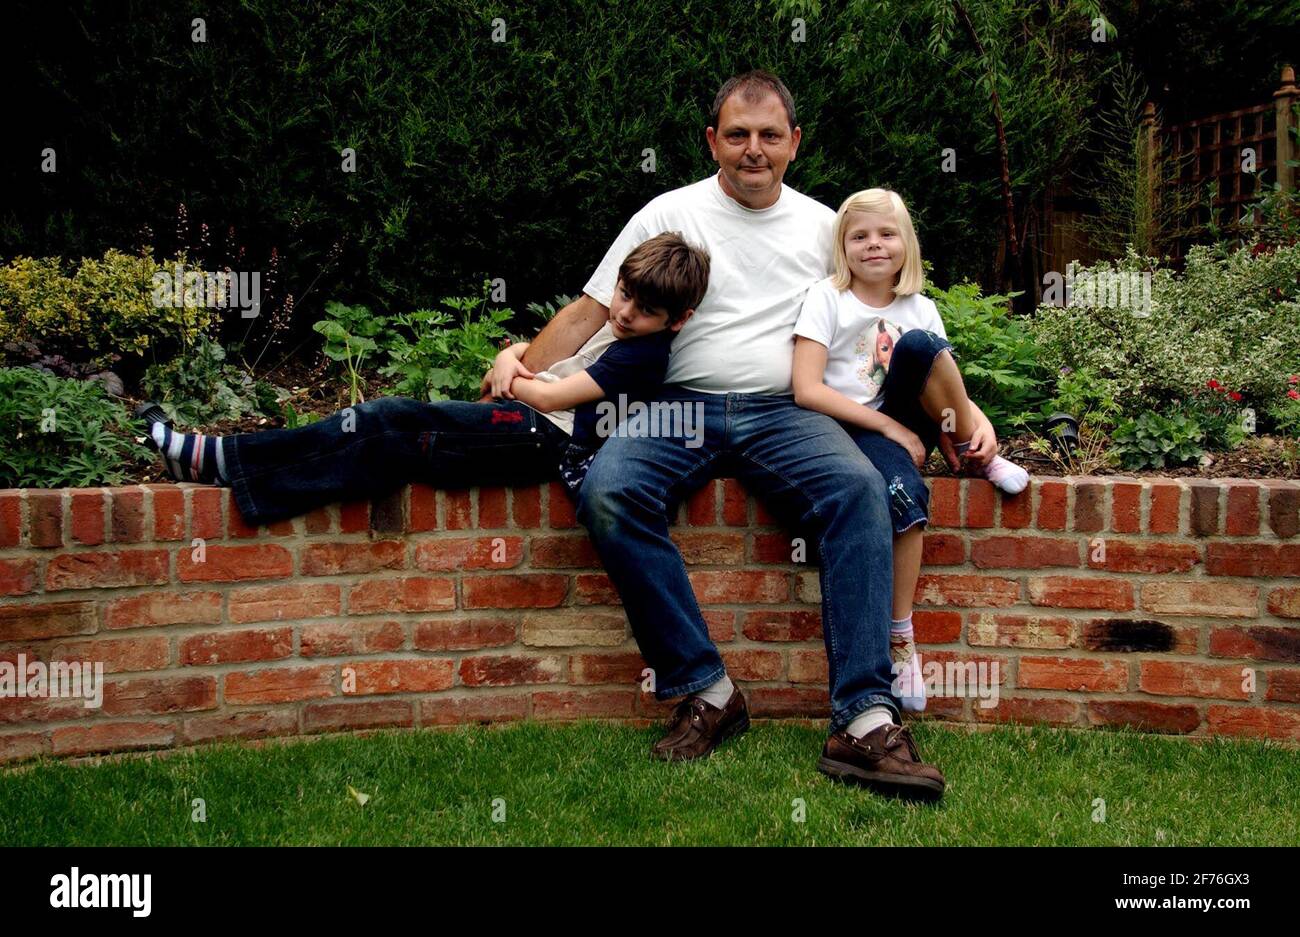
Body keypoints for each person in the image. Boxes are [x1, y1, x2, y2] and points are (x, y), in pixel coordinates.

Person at [487, 71, 946, 801]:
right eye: (737, 135)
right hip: (681, 406)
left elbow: (879, 316)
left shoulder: (825, 228)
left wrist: (934, 410)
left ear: (795, 143)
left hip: (787, 411)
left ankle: (864, 719)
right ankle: (707, 689)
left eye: (769, 136)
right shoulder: (667, 213)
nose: (753, 150)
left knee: (859, 491)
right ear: (713, 141)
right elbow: (591, 311)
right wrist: (517, 370)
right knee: (609, 489)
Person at [134, 232, 708, 521]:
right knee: (386, 440)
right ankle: (235, 470)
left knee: (386, 423)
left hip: (540, 438)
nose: (626, 312)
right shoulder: (622, 327)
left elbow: (557, 392)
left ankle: (221, 461)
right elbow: (535, 364)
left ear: (676, 320)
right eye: (625, 294)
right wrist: (511, 357)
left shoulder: (644, 355)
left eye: (645, 310)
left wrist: (512, 374)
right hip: (522, 424)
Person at [792, 188, 1029, 712]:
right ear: (842, 246)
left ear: (906, 244)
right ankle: (901, 644)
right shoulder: (826, 299)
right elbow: (806, 390)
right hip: (847, 427)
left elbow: (942, 379)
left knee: (920, 345)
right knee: (902, 494)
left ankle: (978, 455)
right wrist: (892, 431)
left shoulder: (919, 307)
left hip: (905, 415)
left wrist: (981, 421)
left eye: (886, 234)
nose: (873, 245)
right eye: (859, 236)